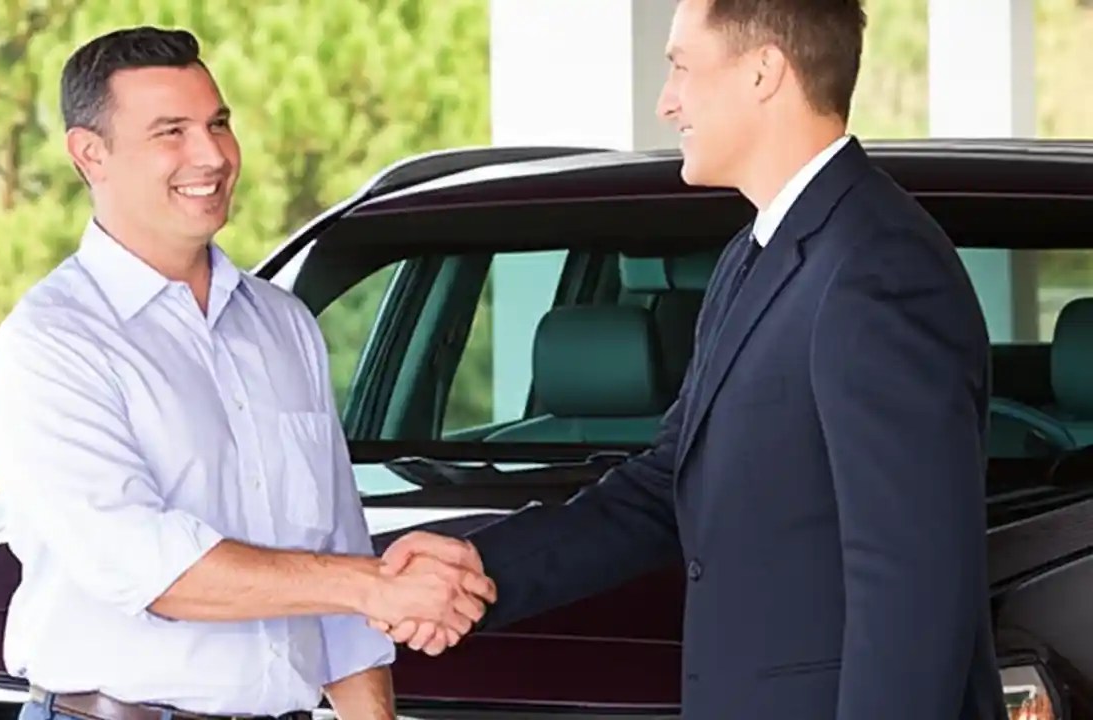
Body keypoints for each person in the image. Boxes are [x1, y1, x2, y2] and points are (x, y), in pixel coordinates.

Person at [374, 0, 1009, 718]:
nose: (666, 100)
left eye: (681, 66)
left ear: (765, 71)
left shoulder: (877, 266)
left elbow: (912, 584)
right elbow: (667, 486)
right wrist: (484, 570)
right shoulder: (756, 257)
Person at [0, 26, 494, 720]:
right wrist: (375, 585)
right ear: (90, 154)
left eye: (218, 123)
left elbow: (336, 570)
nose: (213, 154)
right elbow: (153, 568)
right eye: (173, 131)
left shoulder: (283, 326)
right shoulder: (52, 344)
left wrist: (368, 615)